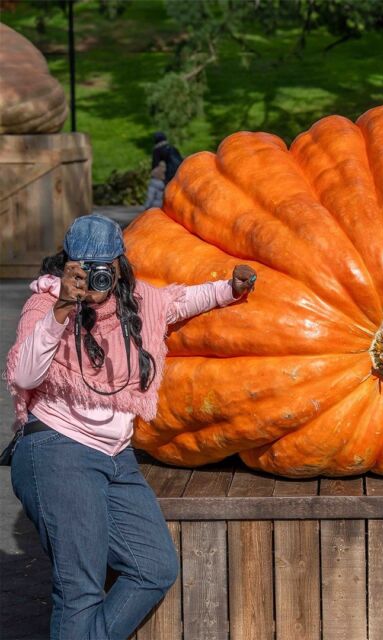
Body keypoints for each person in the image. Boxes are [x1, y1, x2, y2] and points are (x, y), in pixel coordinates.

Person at [5, 213, 256, 639]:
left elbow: (179, 301)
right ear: (68, 265)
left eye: (105, 266)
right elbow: (24, 375)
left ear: (120, 263)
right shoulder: (46, 303)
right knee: (80, 593)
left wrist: (230, 289)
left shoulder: (137, 302)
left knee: (153, 566)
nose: (97, 277)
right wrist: (64, 308)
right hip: (58, 452)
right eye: (86, 267)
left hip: (115, 458)